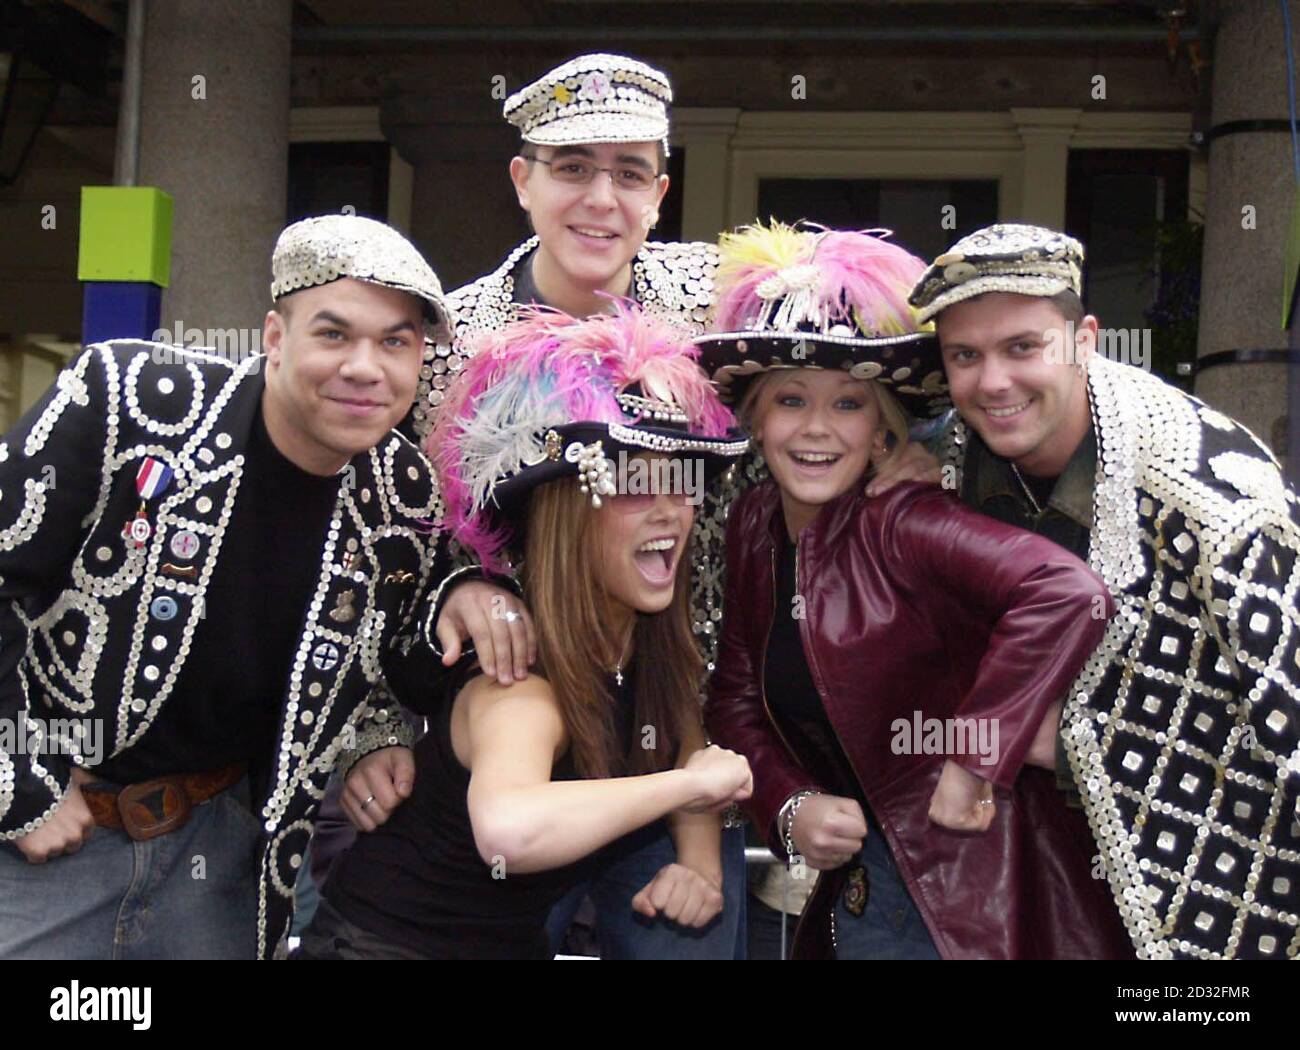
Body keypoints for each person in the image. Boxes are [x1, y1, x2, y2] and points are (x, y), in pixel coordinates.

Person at [0, 214, 467, 959]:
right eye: (334, 334)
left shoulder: (403, 488)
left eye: (396, 342)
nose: (365, 367)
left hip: (222, 854)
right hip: (51, 828)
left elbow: (388, 643)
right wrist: (16, 782)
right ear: (275, 339)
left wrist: (378, 736)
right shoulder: (132, 396)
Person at [699, 221, 1134, 959]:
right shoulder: (753, 522)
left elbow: (1066, 592)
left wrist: (974, 756)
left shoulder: (903, 518)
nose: (816, 430)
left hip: (963, 894)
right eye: (791, 400)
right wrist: (788, 804)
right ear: (757, 421)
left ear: (881, 431)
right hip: (857, 884)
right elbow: (735, 700)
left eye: (847, 404)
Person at [296, 303, 753, 959]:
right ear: (566, 519)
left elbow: (684, 745)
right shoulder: (518, 679)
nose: (669, 512)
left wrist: (701, 863)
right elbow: (508, 830)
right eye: (632, 485)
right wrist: (689, 788)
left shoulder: (644, 647)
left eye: (680, 484)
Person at [910, 222, 1300, 960]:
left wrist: (1017, 740)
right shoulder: (948, 460)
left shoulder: (1213, 498)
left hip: (1217, 894)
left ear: (1085, 339)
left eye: (1023, 347)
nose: (993, 382)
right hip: (1027, 881)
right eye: (965, 355)